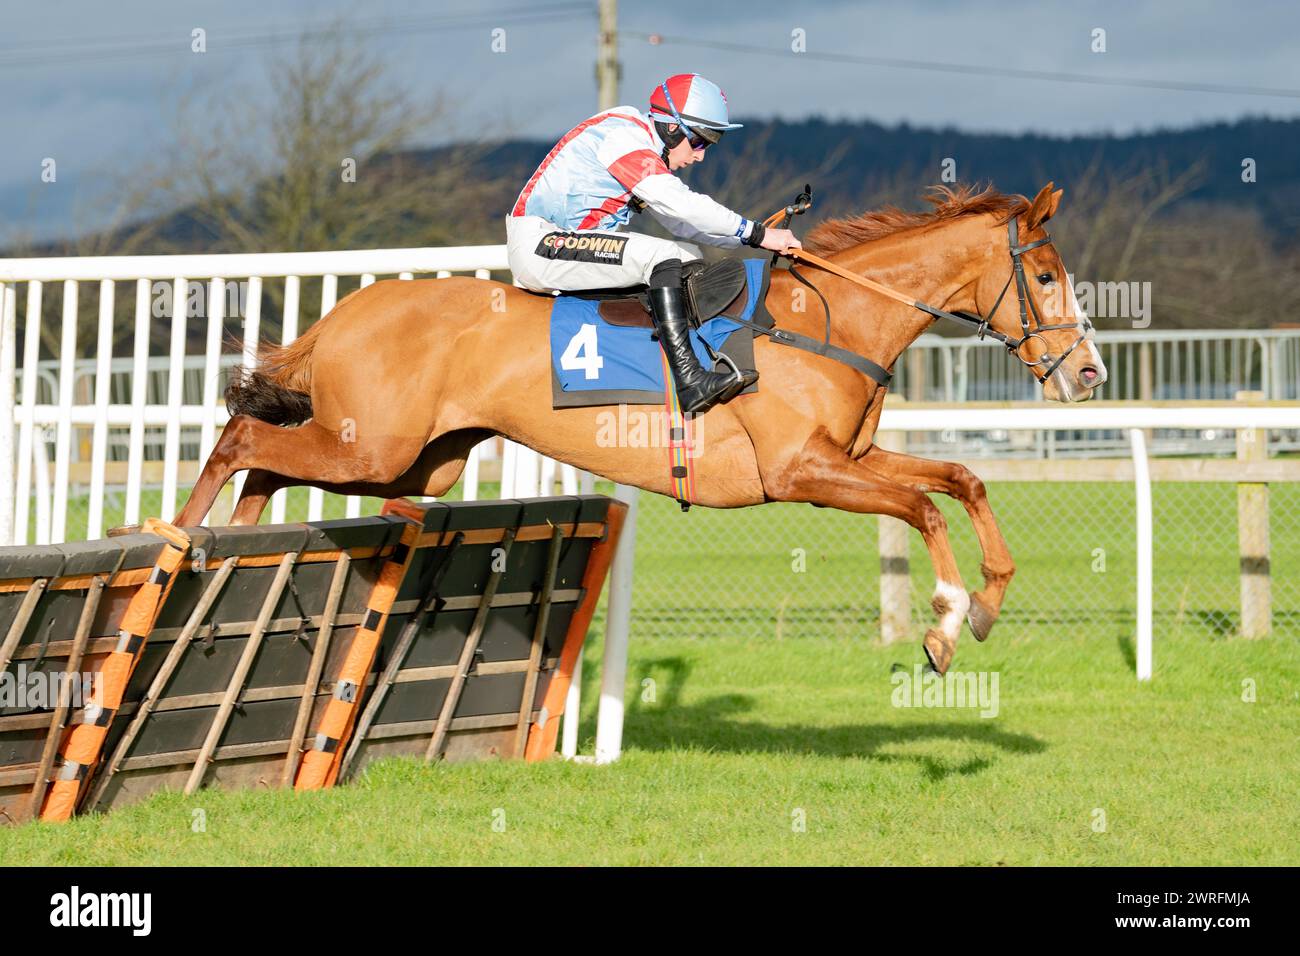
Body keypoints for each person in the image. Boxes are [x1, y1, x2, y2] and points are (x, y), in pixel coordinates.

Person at [506, 73, 800, 414]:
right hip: (541, 244)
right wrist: (757, 233)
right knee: (662, 255)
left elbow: (681, 224)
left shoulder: (641, 144)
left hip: (559, 241)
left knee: (687, 254)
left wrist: (753, 241)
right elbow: (681, 204)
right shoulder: (625, 138)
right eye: (700, 142)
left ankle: (693, 357)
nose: (701, 155)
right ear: (672, 128)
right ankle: (689, 380)